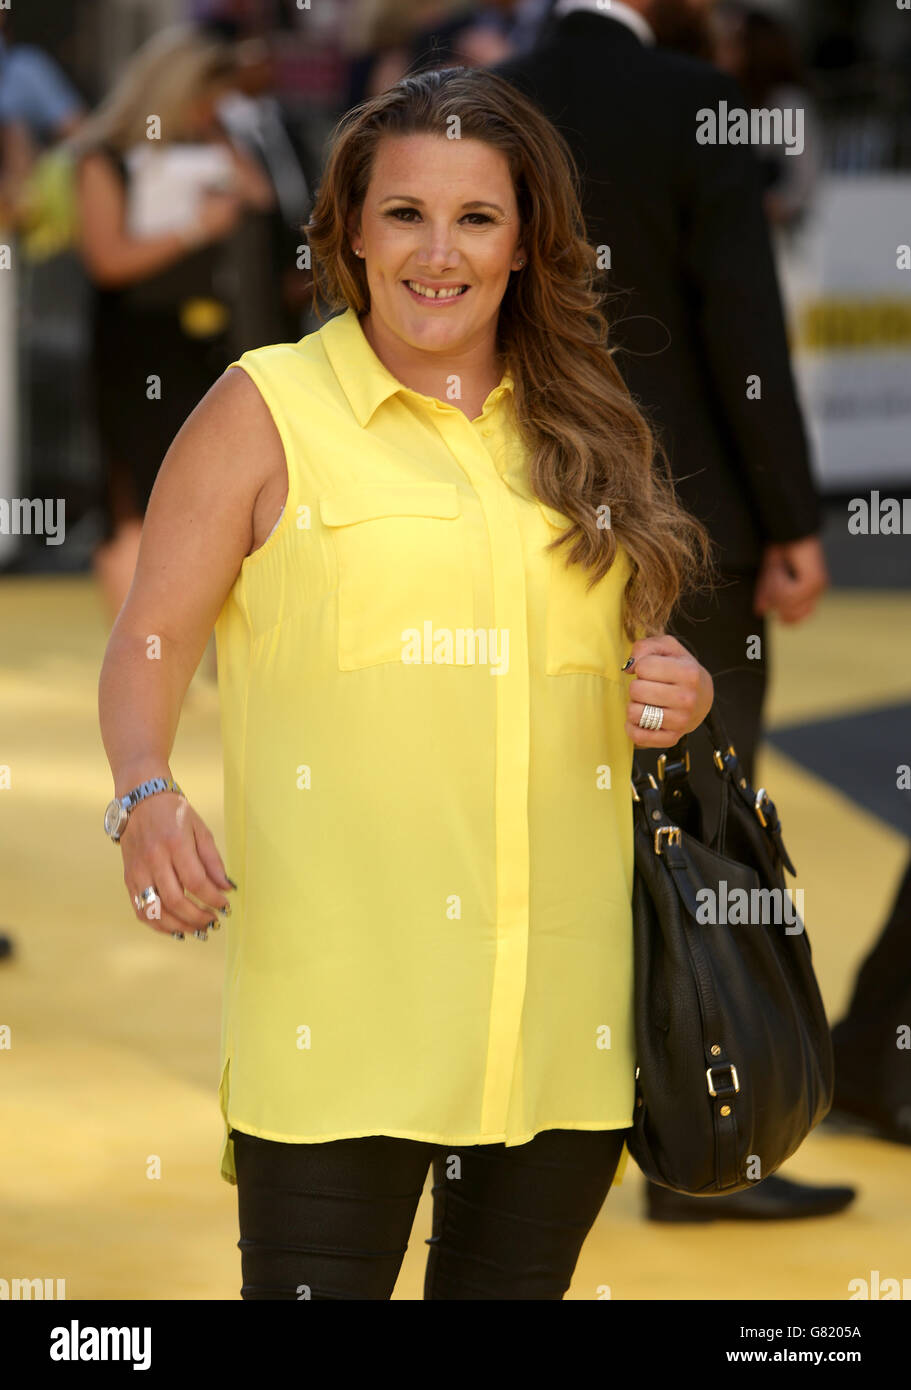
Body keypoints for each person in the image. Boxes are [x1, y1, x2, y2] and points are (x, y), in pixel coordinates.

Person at [98, 65, 718, 1300]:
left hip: (558, 1012)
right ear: (349, 234)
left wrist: (676, 685)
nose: (439, 253)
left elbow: (634, 656)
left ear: (526, 244)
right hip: (341, 1013)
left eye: (477, 219)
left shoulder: (586, 427)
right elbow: (149, 636)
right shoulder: (264, 410)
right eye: (404, 215)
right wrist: (144, 790)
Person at [496, 0, 852, 1223]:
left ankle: (527, 1125)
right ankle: (703, 1134)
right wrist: (793, 520)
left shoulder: (478, 95)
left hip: (511, 504)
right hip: (682, 515)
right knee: (697, 826)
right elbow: (738, 326)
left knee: (527, 816)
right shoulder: (694, 103)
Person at [67, 23, 275, 623]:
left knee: (216, 491)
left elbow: (263, 208)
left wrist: (221, 146)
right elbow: (108, 261)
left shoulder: (211, 143)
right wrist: (193, 229)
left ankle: (202, 650)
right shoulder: (103, 157)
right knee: (134, 496)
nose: (213, 109)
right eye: (205, 97)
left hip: (208, 343)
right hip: (135, 348)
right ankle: (139, 649)